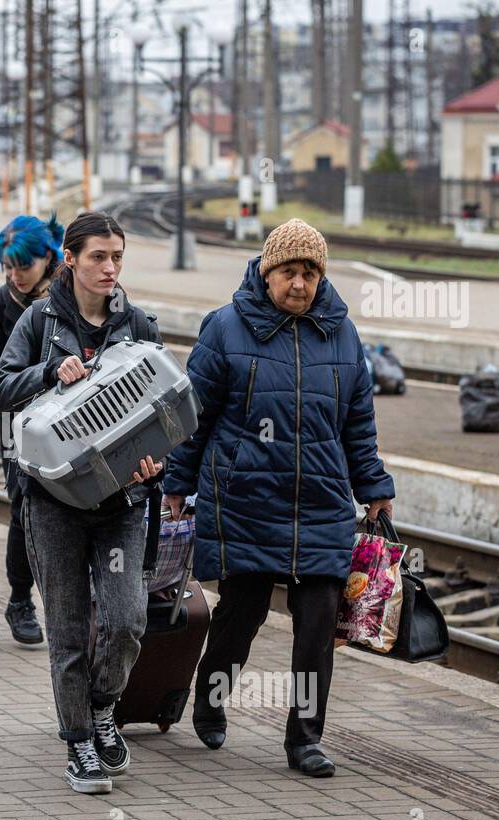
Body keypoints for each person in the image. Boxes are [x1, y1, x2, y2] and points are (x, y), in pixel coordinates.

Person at [162, 218, 396, 778]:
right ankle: (210, 698)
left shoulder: (342, 334)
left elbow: (358, 421)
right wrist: (177, 482)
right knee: (239, 617)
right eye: (289, 271)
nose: (299, 283)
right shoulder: (225, 329)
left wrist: (374, 486)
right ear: (267, 274)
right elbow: (194, 418)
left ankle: (305, 739)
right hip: (247, 498)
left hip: (320, 503)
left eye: (310, 272)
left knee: (317, 627)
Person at [0, 211, 164, 796]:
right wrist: (47, 374)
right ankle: (80, 742)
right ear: (71, 259)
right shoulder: (40, 319)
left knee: (125, 620)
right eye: (98, 257)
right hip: (52, 499)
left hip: (121, 498)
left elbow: (161, 406)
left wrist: (157, 463)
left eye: (117, 257)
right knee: (66, 631)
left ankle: (103, 705)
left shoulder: (138, 325)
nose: (110, 268)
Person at [0, 213, 63, 646]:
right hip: (18, 424)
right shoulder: (0, 303)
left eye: (21, 267)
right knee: (25, 511)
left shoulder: (73, 296)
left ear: (48, 257)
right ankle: (20, 599)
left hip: (71, 423)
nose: (13, 276)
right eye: (6, 267)